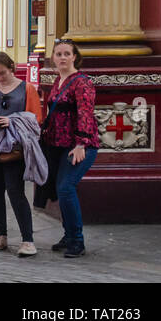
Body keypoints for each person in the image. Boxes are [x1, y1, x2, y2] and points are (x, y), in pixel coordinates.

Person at [0, 51, 45, 257]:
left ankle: (28, 240)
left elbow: (36, 119)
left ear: (11, 68)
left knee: (15, 191)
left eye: (2, 73)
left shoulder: (27, 89)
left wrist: (12, 121)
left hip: (15, 148)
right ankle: (1, 236)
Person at [34, 38, 98, 258]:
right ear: (53, 57)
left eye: (66, 54)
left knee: (66, 188)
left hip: (78, 146)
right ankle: (68, 235)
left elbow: (85, 112)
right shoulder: (57, 81)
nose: (62, 57)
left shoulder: (82, 82)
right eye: (58, 54)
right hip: (56, 145)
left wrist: (81, 143)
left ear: (75, 57)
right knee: (60, 190)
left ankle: (77, 241)